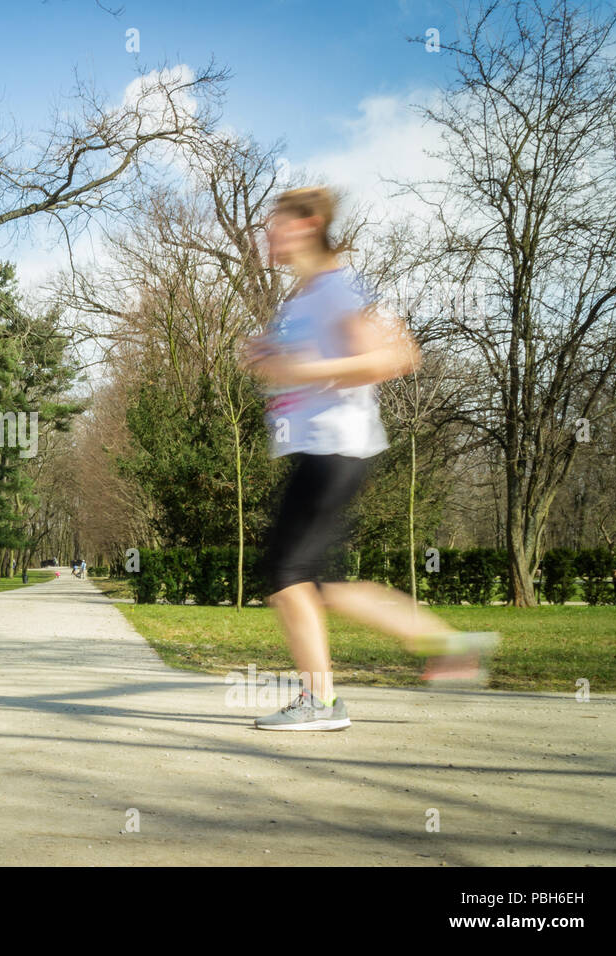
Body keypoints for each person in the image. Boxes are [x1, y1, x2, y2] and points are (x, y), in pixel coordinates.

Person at [240, 186, 498, 732]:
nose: (267, 233)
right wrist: (273, 357)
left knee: (288, 575)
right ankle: (444, 643)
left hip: (334, 447)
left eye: (275, 223)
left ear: (307, 223)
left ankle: (322, 703)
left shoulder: (337, 287)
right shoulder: (304, 295)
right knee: (311, 581)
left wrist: (298, 370)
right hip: (318, 448)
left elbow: (397, 355)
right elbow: (308, 362)